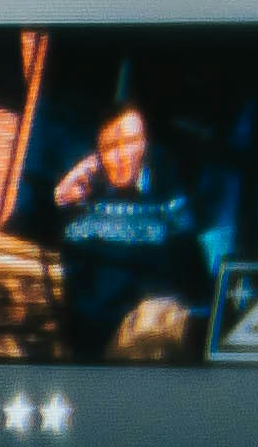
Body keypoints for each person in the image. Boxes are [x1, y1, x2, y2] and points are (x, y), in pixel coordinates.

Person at [34, 87, 223, 364]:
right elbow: (36, 232)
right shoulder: (82, 210)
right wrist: (61, 197)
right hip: (104, 347)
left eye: (131, 141)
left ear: (145, 146)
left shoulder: (167, 205)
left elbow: (195, 281)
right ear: (97, 155)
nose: (122, 155)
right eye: (111, 146)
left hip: (160, 339)